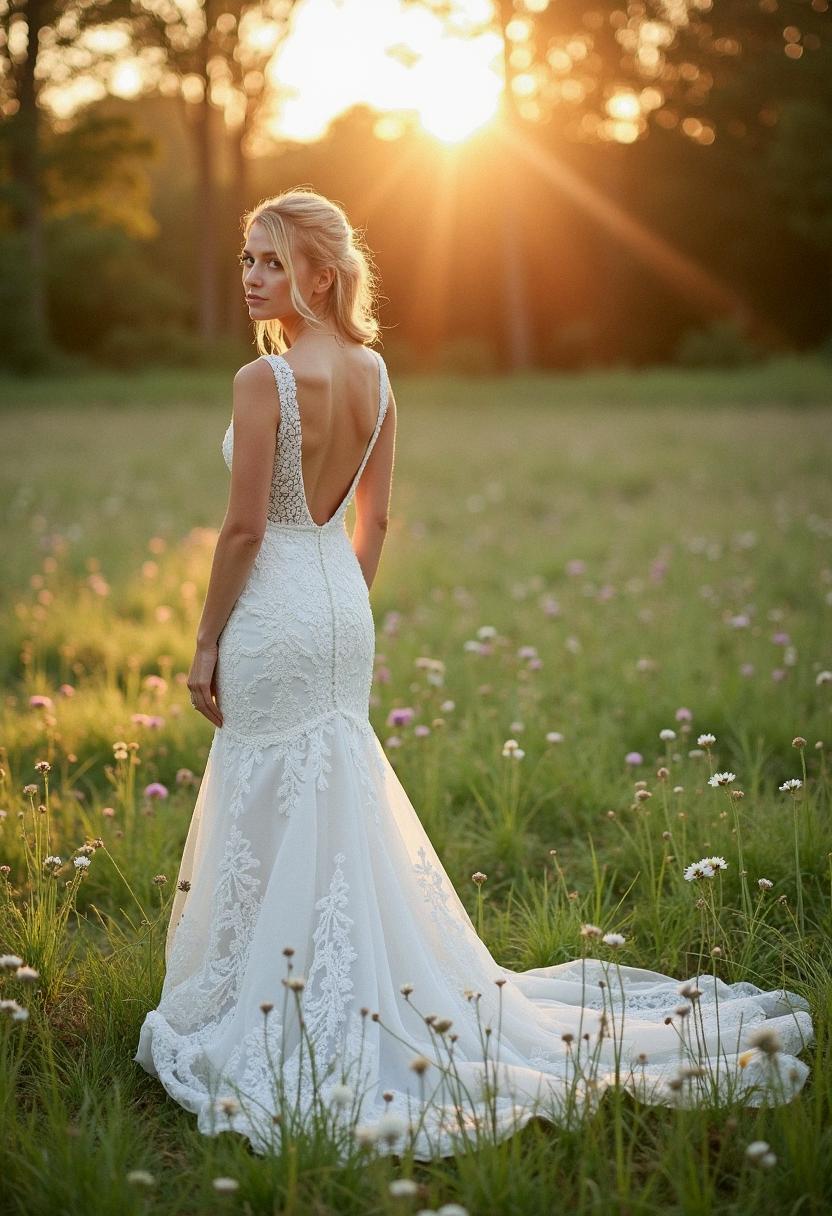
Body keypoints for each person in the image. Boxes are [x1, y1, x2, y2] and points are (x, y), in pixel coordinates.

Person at [134, 188, 814, 1160]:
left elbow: (244, 530)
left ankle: (272, 986)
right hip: (336, 605)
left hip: (275, 606)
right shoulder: (376, 373)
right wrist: (342, 606)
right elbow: (373, 524)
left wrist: (206, 642)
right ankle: (329, 969)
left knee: (270, 788)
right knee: (331, 788)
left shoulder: (265, 382)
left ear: (319, 274)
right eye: (246, 259)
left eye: (271, 262)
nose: (251, 278)